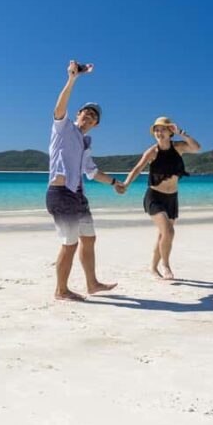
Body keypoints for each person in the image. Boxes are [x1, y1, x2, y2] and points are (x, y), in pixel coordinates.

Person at [46, 60, 123, 301]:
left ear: (96, 125)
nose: (88, 117)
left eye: (93, 117)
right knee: (69, 244)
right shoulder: (63, 129)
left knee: (89, 238)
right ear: (77, 115)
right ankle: (61, 290)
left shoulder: (85, 144)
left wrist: (113, 183)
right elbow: (59, 108)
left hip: (78, 196)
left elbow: (92, 172)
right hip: (60, 195)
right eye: (86, 113)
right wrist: (72, 79)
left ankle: (92, 283)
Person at [122, 116, 201, 280]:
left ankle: (152, 267)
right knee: (169, 231)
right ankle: (165, 265)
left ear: (170, 132)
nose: (159, 132)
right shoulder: (152, 152)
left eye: (162, 129)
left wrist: (181, 133)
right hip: (154, 197)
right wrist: (126, 184)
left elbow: (196, 148)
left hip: (172, 198)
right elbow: (137, 169)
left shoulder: (178, 147)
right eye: (156, 130)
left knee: (163, 235)